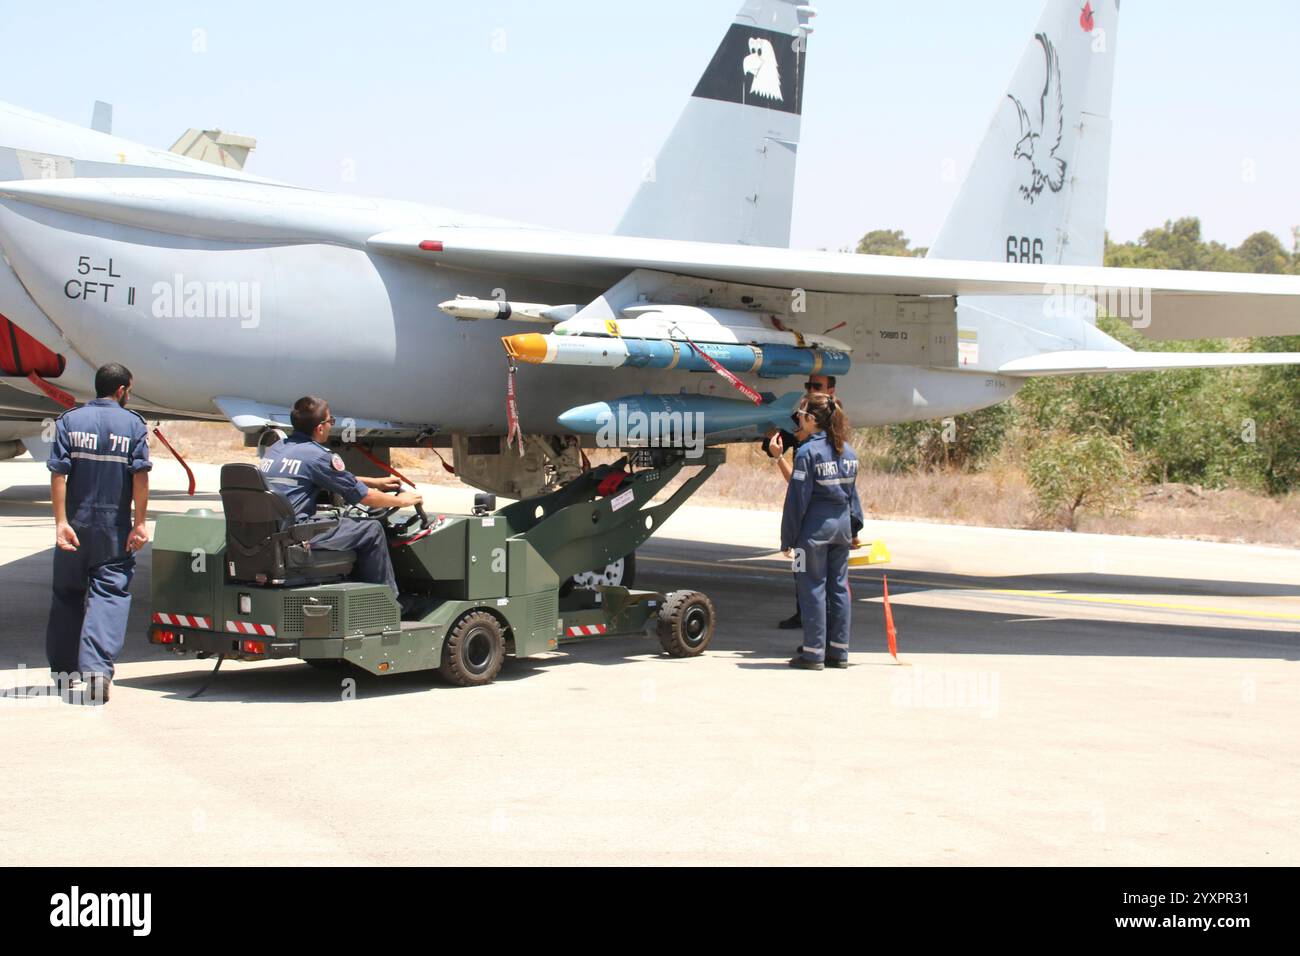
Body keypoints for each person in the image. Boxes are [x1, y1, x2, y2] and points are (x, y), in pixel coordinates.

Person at [46, 363, 152, 704]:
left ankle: (64, 673)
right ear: (122, 390)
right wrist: (140, 522)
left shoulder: (69, 421)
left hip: (75, 524)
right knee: (109, 596)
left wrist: (61, 522)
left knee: (66, 595)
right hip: (113, 529)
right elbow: (140, 477)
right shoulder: (133, 425)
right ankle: (96, 671)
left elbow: (59, 474)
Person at [258, 396, 422, 597]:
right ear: (320, 428)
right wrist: (402, 501)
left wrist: (373, 481)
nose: (330, 426)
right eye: (330, 421)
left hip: (272, 532)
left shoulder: (277, 449)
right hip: (297, 535)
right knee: (371, 529)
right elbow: (366, 499)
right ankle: (386, 602)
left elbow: (317, 475)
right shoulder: (318, 455)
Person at [779, 392, 863, 671]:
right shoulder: (848, 451)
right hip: (840, 531)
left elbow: (797, 500)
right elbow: (853, 497)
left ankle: (813, 653)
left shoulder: (807, 453)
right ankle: (839, 652)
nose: (798, 419)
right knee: (838, 589)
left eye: (801, 415)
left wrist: (787, 538)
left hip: (813, 534)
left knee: (810, 587)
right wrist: (854, 529)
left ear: (812, 420)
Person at [763, 373, 838, 629]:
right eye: (808, 385)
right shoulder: (835, 439)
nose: (808, 390)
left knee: (810, 577)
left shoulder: (812, 447)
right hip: (832, 523)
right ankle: (823, 630)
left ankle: (815, 638)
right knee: (821, 579)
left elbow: (797, 485)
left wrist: (777, 458)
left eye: (816, 387)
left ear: (831, 390)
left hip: (811, 521)